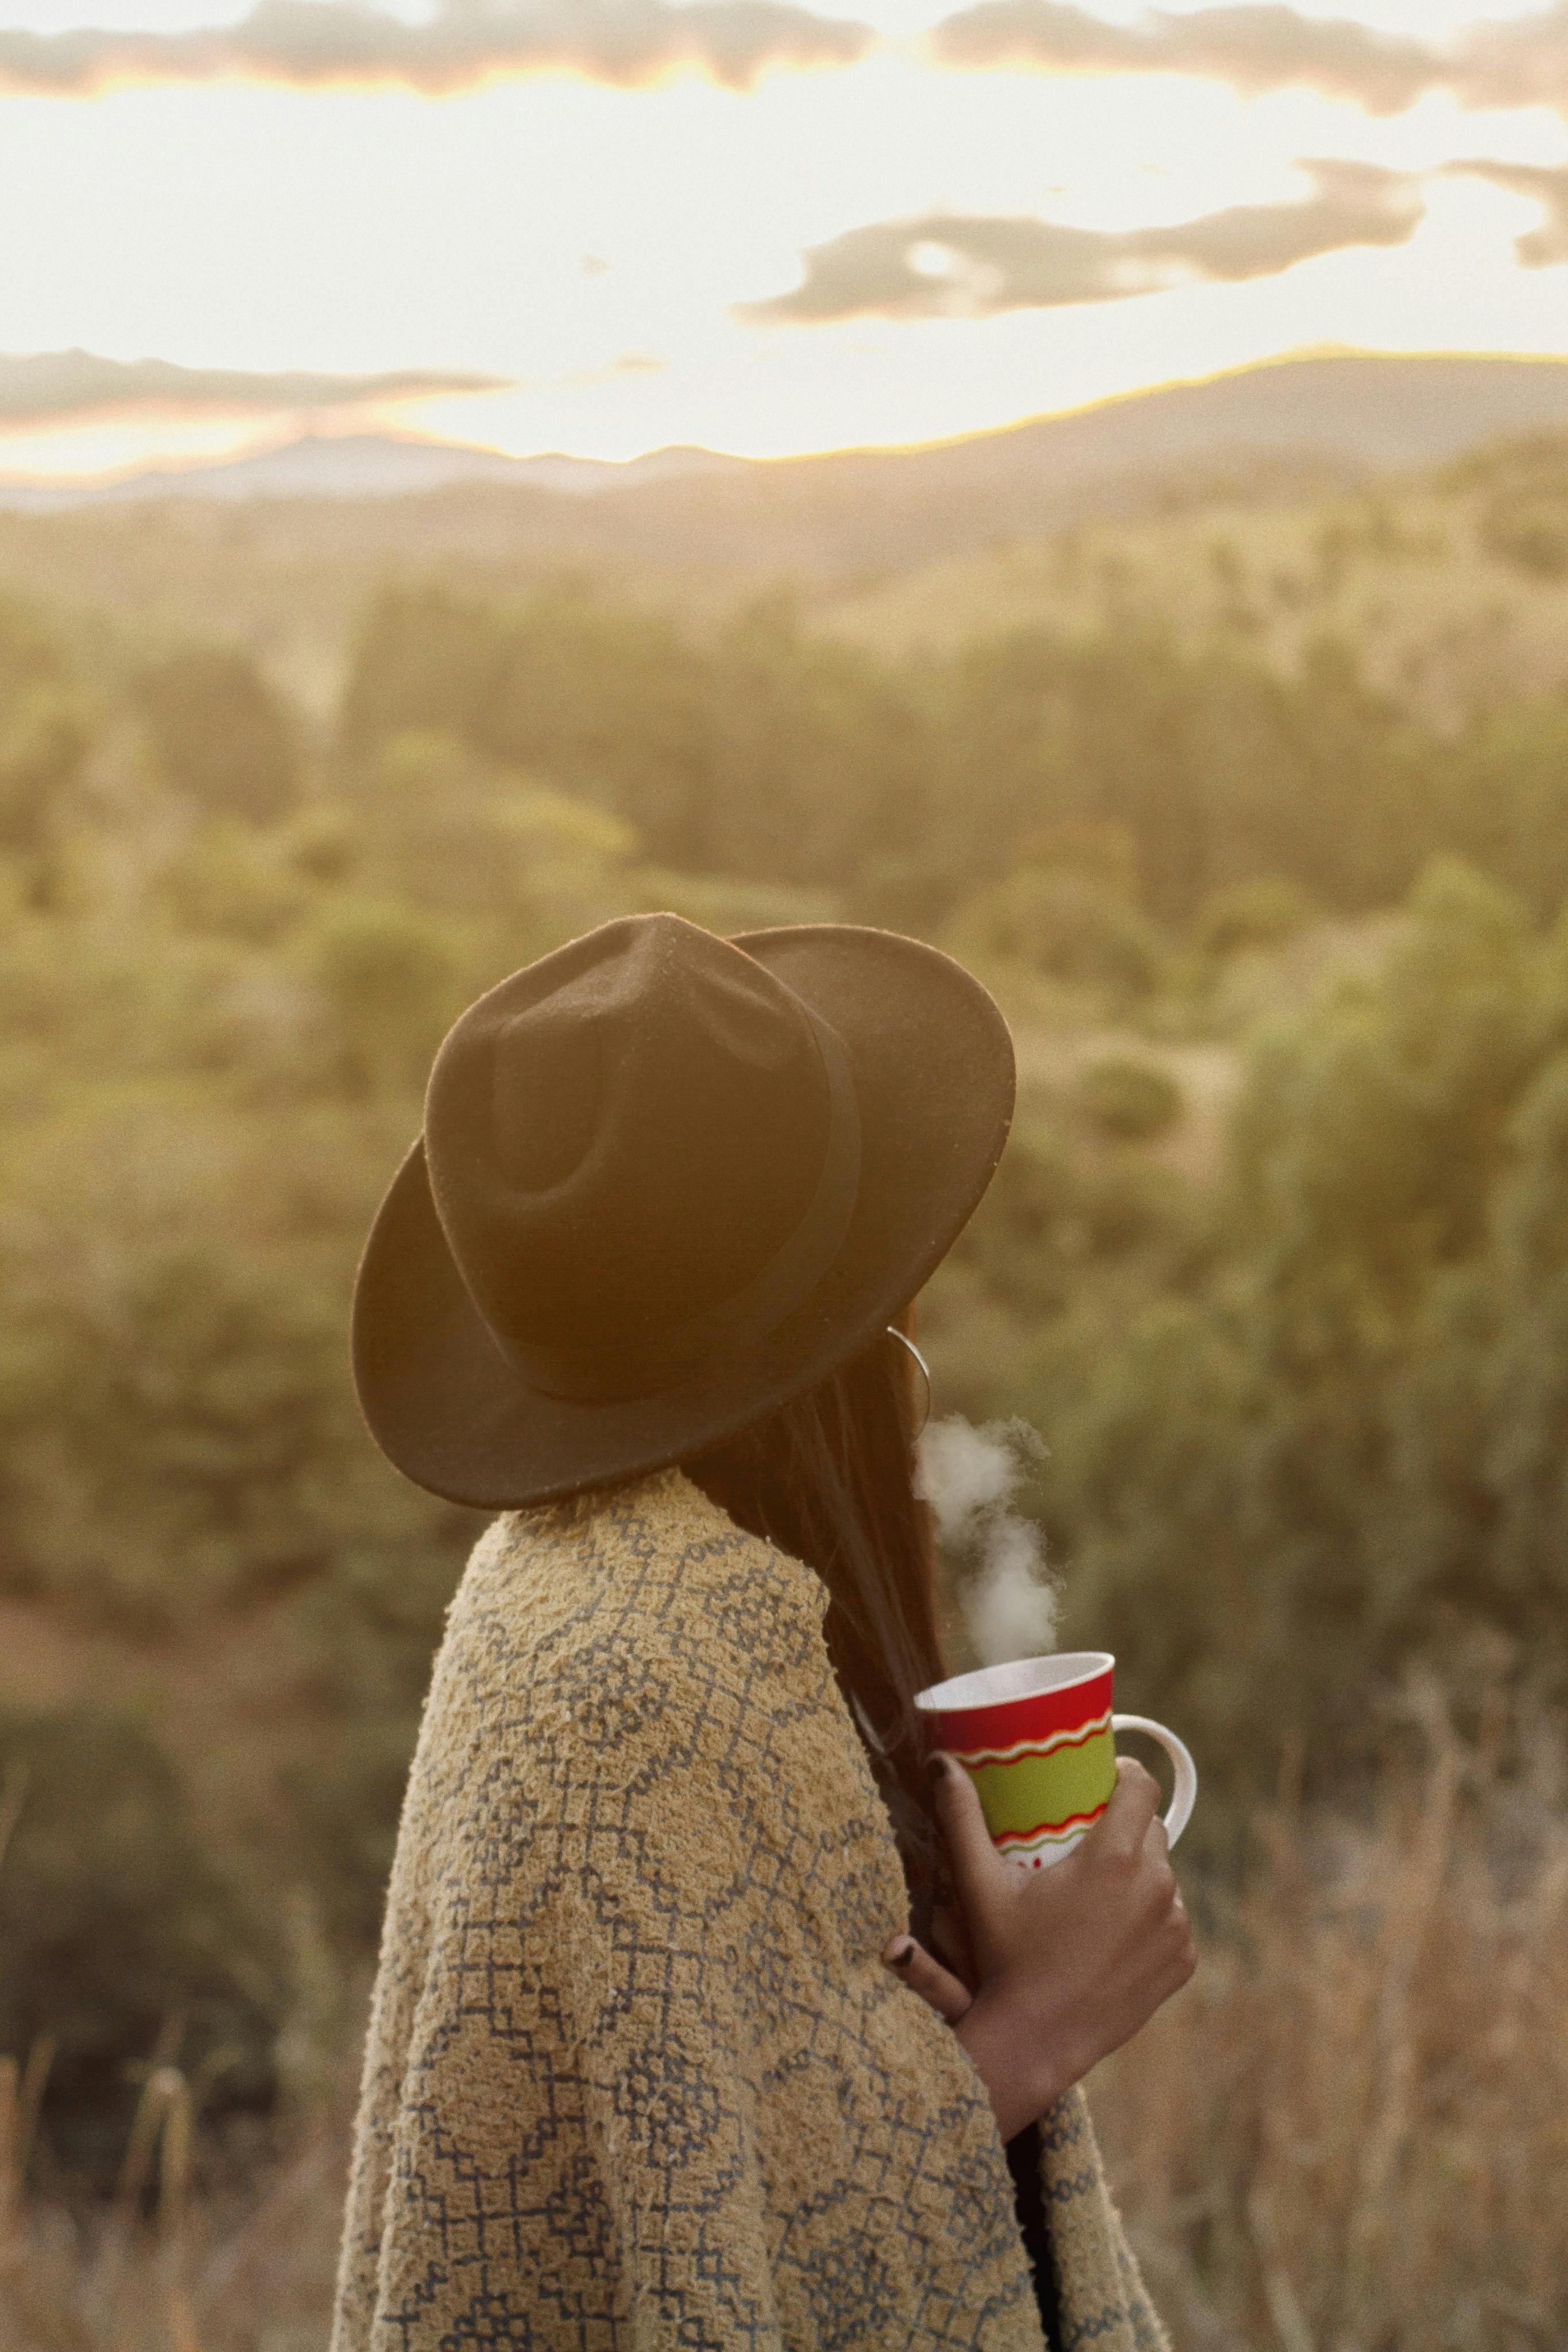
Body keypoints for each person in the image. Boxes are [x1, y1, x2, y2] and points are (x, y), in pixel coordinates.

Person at [330, 911, 1194, 2352]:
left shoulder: (578, 1589)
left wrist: (937, 2002)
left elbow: (739, 2150)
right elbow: (673, 2292)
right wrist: (1041, 2025)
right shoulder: (636, 1668)